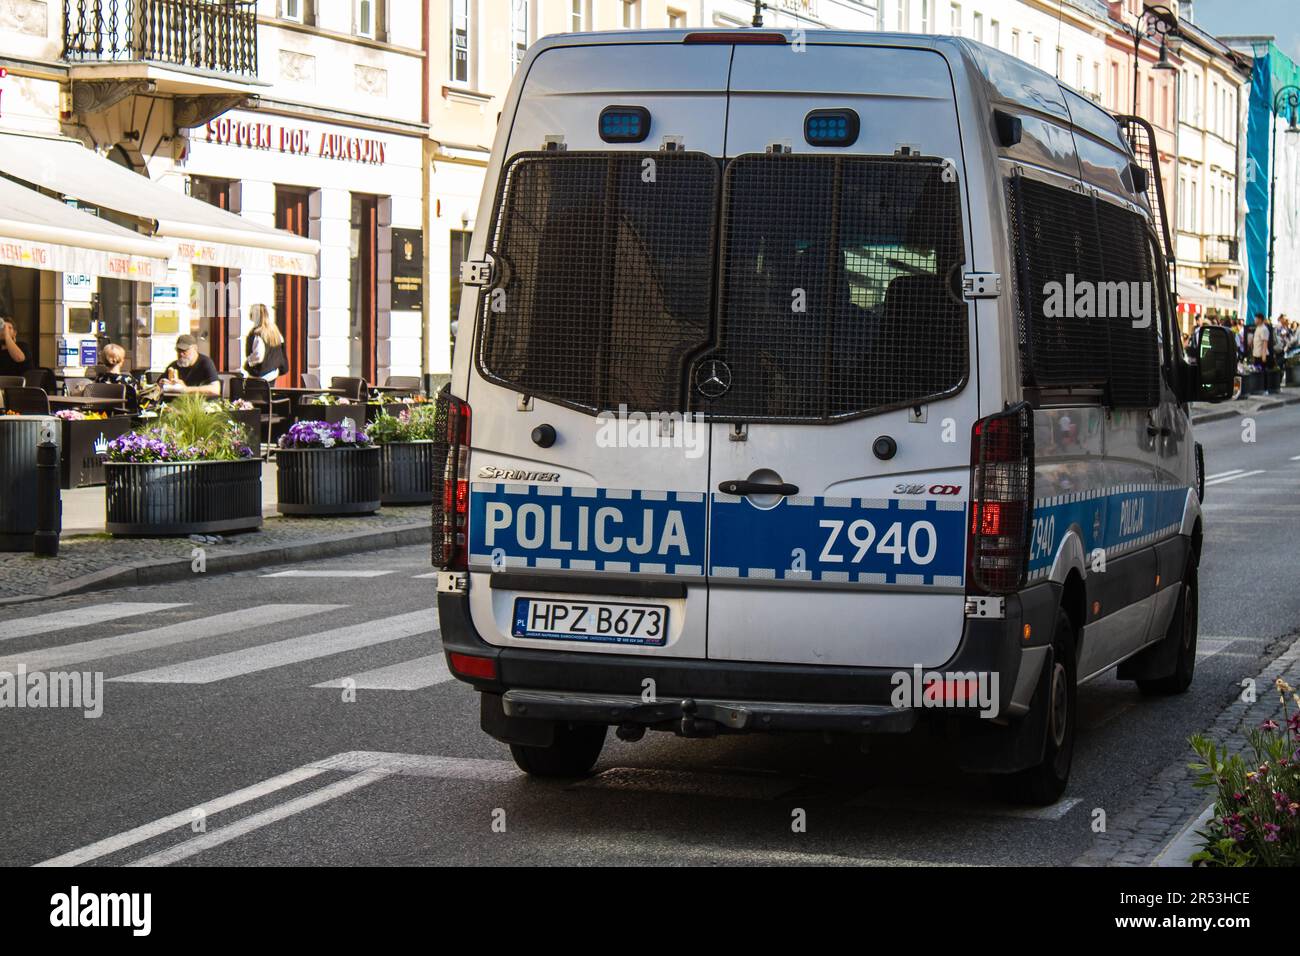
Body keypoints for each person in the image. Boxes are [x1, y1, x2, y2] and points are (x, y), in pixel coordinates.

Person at [243, 304, 288, 383]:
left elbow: (258, 356)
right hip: (273, 374)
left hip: (259, 376)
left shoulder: (257, 333)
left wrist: (248, 361)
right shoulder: (275, 332)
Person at [92, 343, 142, 410]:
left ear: (103, 360)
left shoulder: (99, 379)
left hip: (102, 415)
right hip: (125, 416)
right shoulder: (129, 380)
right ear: (121, 360)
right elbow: (137, 401)